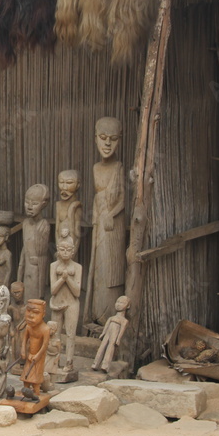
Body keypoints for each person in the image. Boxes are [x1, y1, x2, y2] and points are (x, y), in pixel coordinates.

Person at [88, 117, 127, 324]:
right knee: (99, 267)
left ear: (119, 140)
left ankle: (109, 313)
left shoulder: (118, 167)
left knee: (112, 267)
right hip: (100, 223)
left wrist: (111, 215)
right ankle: (97, 312)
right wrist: (96, 218)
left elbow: (123, 199)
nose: (107, 144)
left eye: (113, 139)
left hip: (114, 226)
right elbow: (96, 198)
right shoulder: (95, 168)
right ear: (95, 139)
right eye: (103, 138)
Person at [50, 230, 82, 372]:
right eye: (62, 249)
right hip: (57, 303)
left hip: (71, 304)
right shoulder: (53, 266)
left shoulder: (77, 267)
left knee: (70, 334)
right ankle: (54, 361)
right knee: (55, 335)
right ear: (58, 249)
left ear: (73, 251)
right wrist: (62, 278)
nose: (65, 253)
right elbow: (53, 290)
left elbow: (77, 291)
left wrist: (67, 278)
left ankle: (69, 362)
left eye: (68, 250)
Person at [16, 184, 50, 301]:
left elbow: (43, 255)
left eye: (34, 203)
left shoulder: (43, 225)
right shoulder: (25, 223)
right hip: (26, 268)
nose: (29, 207)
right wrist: (19, 274)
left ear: (44, 204)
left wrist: (41, 287)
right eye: (27, 202)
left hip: (36, 269)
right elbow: (24, 249)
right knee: (23, 298)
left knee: (35, 300)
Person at [20, 300, 50, 401]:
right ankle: (25, 393)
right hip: (29, 355)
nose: (31, 315)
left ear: (43, 314)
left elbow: (45, 346)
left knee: (36, 380)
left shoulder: (45, 329)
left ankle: (36, 394)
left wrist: (38, 355)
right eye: (28, 311)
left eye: (36, 312)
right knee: (26, 377)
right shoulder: (29, 327)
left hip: (38, 358)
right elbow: (24, 339)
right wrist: (23, 350)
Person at [92, 296, 130, 372]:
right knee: (102, 347)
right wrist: (103, 333)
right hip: (107, 334)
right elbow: (106, 326)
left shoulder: (124, 321)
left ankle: (105, 365)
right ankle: (95, 364)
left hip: (114, 335)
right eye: (117, 302)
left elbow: (122, 330)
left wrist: (118, 339)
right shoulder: (111, 318)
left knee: (110, 348)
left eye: (122, 303)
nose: (118, 304)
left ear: (128, 306)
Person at [55, 170, 83, 253]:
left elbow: (76, 234)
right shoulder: (58, 205)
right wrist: (58, 249)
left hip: (71, 249)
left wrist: (72, 252)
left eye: (69, 183)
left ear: (78, 185)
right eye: (61, 182)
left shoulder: (77, 206)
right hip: (60, 246)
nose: (64, 187)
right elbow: (56, 230)